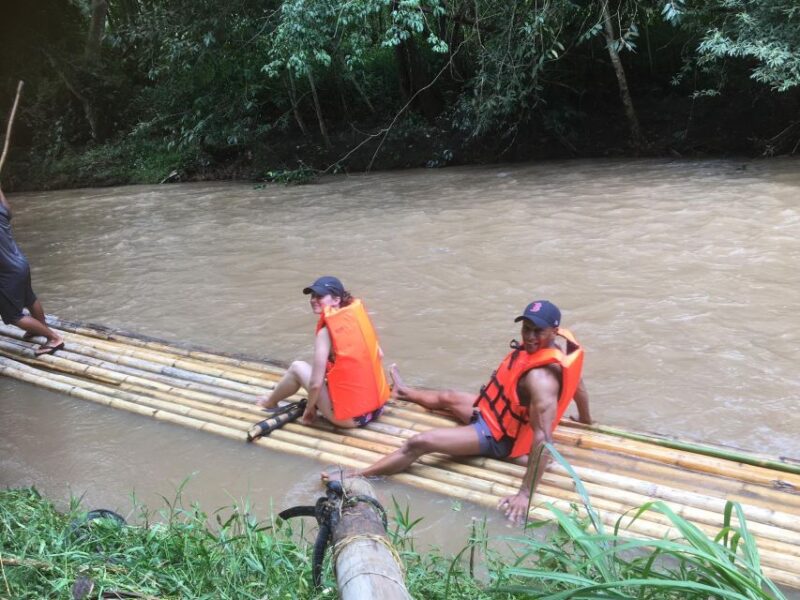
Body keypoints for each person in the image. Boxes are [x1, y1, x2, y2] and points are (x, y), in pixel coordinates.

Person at [322, 300, 591, 523]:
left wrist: (524, 494)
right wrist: (587, 421)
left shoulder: (541, 380)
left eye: (538, 332)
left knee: (420, 442)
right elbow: (577, 384)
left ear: (554, 331)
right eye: (526, 329)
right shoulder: (556, 349)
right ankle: (404, 392)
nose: (530, 337)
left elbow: (543, 440)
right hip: (492, 411)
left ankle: (359, 474)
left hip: (499, 437)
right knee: (447, 397)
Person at [256, 276, 390, 428]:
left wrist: (310, 408)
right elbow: (379, 354)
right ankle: (272, 399)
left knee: (297, 367)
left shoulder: (326, 333)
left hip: (351, 419)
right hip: (376, 408)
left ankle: (270, 402)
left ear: (336, 300)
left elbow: (315, 384)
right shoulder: (357, 320)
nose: (313, 300)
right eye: (312, 296)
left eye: (319, 296)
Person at [0, 185, 64, 355]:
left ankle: (53, 338)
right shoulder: (1, 212)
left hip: (6, 272)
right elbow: (8, 208)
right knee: (29, 297)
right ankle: (39, 328)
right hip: (20, 263)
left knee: (13, 316)